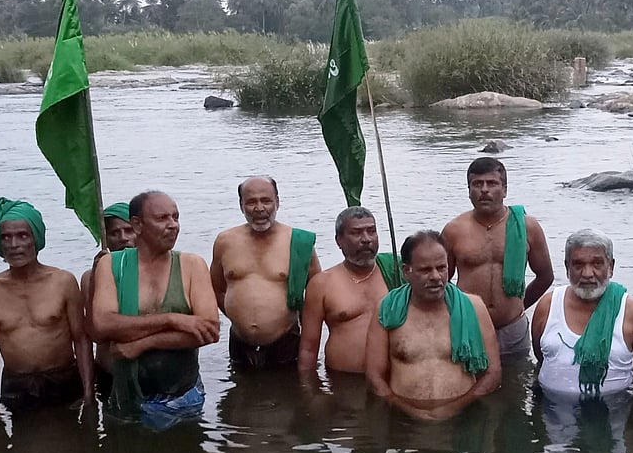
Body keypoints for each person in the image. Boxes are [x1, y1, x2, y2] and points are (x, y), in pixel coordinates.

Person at [91, 191, 220, 428]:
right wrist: (173, 320)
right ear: (137, 224)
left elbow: (209, 331)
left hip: (183, 397)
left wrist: (142, 344)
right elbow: (102, 326)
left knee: (188, 449)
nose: (173, 225)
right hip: (127, 399)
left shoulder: (191, 265)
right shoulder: (113, 265)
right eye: (162, 218)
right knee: (126, 450)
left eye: (175, 217)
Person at [365, 231, 502, 420]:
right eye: (425, 270)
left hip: (463, 416)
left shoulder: (474, 307)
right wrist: (406, 409)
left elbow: (492, 374)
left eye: (441, 268)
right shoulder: (387, 309)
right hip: (404, 417)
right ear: (406, 271)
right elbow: (374, 376)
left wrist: (455, 407)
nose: (436, 276)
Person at [0, 197, 94, 411]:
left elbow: (81, 339)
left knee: (73, 430)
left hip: (63, 379)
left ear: (36, 238)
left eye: (22, 236)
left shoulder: (63, 281)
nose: (14, 245)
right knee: (21, 432)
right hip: (17, 384)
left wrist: (89, 394)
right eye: (6, 237)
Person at [442, 157, 553, 359]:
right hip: (468, 326)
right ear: (469, 190)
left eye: (492, 183)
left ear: (505, 190)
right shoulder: (454, 230)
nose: (484, 190)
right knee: (467, 375)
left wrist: (518, 307)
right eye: (477, 184)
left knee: (517, 377)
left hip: (512, 328)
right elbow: (440, 281)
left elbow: (545, 276)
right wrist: (456, 313)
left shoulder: (527, 227)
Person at [531, 229, 633, 399]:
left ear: (610, 267)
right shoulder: (548, 305)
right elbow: (541, 357)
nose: (587, 274)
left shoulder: (630, 311)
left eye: (597, 264)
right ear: (567, 268)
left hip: (613, 409)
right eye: (578, 265)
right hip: (551, 407)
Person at [211, 176, 321, 369]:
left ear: (277, 201)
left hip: (286, 341)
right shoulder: (225, 241)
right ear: (241, 205)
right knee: (240, 387)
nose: (259, 208)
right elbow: (216, 288)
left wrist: (309, 347)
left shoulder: (298, 242)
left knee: (288, 388)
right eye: (251, 202)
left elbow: (317, 296)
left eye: (266, 201)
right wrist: (239, 318)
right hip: (239, 342)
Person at [298, 207, 392, 376]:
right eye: (356, 233)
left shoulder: (396, 271)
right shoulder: (322, 284)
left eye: (372, 231)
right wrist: (308, 388)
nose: (366, 239)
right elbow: (308, 349)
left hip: (392, 378)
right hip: (343, 379)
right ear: (339, 240)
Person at [81, 203, 137, 400]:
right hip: (109, 373)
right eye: (114, 233)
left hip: (148, 374)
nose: (123, 238)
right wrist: (98, 277)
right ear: (106, 238)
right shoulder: (90, 277)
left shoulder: (155, 272)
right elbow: (96, 334)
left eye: (129, 230)